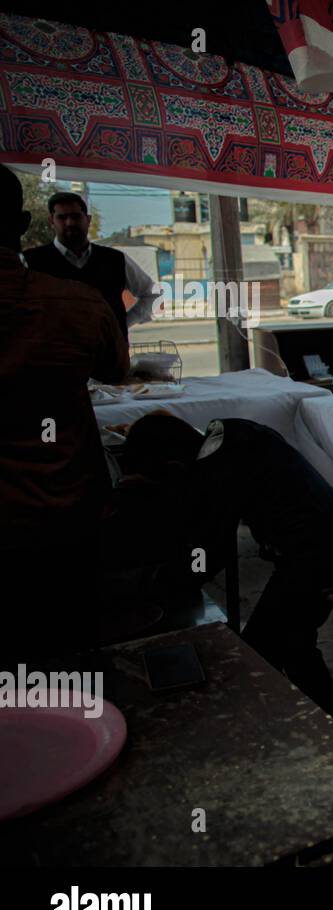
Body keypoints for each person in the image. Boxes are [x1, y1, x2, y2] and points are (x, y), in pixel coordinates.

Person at [123, 414, 333, 720]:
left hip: (317, 551)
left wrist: (160, 588)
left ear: (173, 467)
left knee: (259, 652)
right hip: (328, 537)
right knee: (295, 642)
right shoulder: (229, 431)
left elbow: (211, 552)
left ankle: (298, 728)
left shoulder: (216, 471)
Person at [0, 165, 128, 663]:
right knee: (71, 649)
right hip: (66, 506)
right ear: (30, 221)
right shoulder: (77, 303)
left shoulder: (102, 271)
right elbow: (115, 371)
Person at [23, 191, 159, 341]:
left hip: (108, 358)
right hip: (54, 358)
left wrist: (121, 324)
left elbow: (151, 293)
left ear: (87, 220)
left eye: (75, 216)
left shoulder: (115, 259)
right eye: (62, 217)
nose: (69, 223)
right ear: (51, 221)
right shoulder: (32, 261)